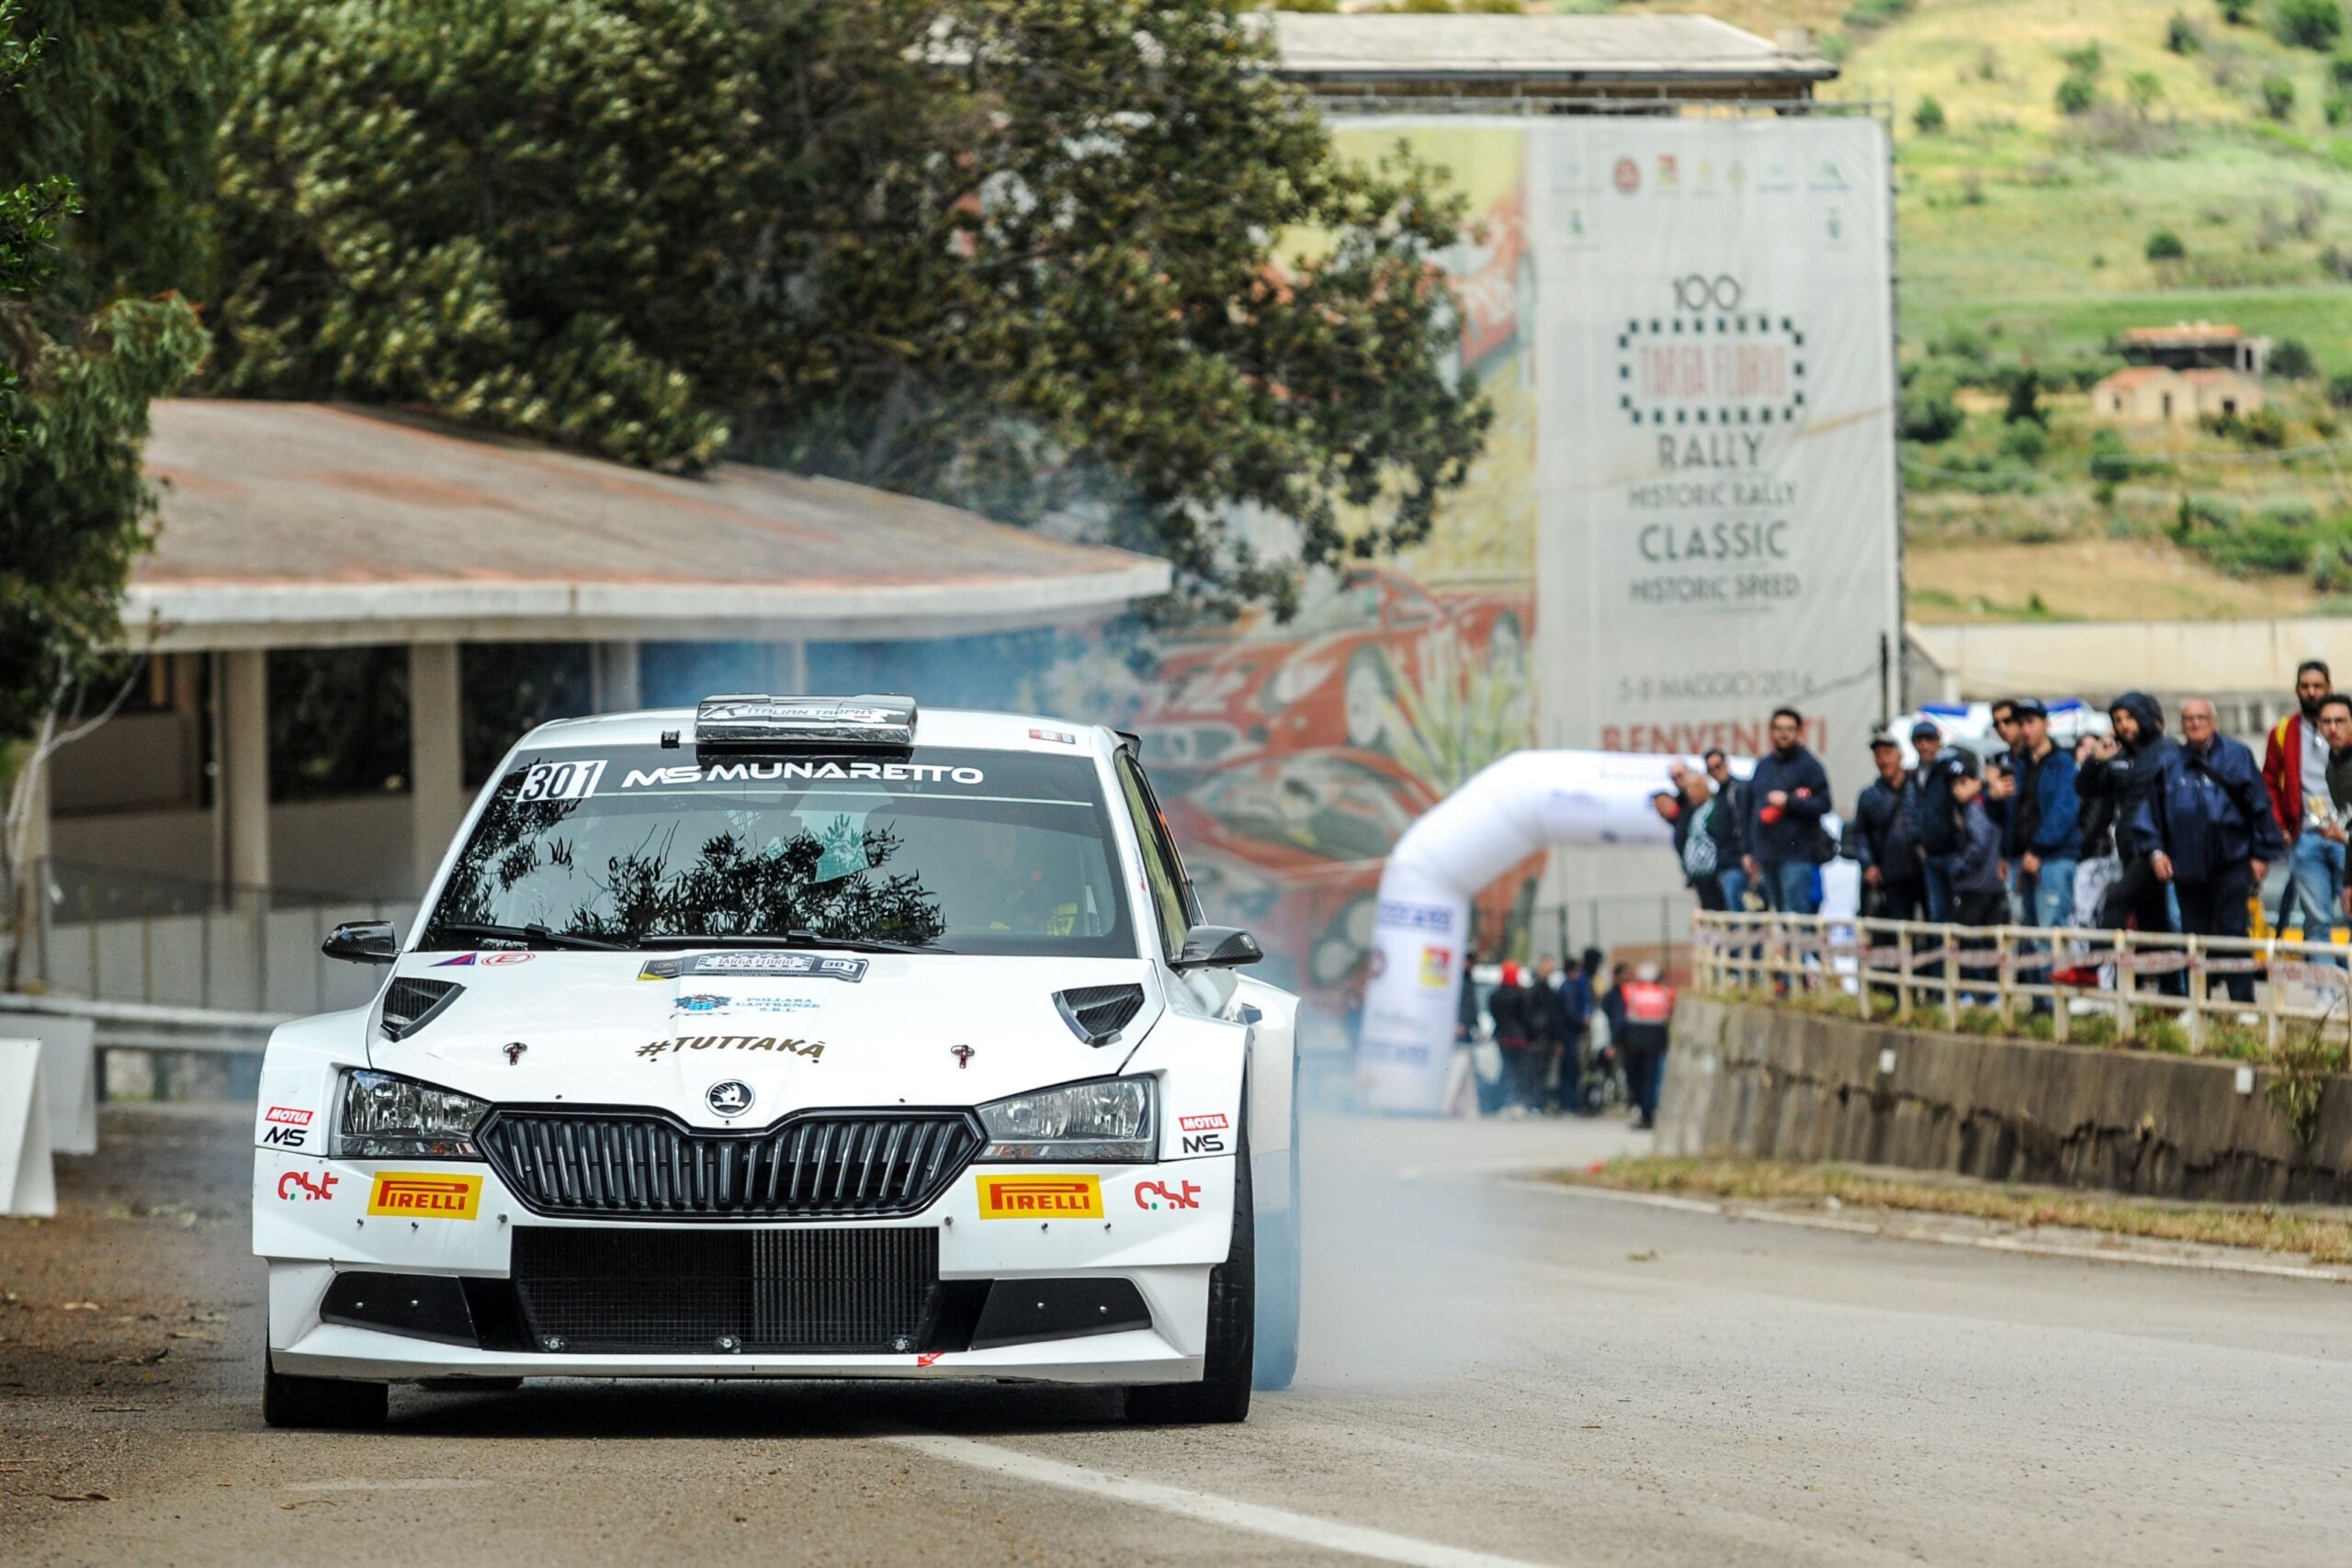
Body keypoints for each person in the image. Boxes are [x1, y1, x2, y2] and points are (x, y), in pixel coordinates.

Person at [2130, 697, 2285, 1004]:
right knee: (2194, 937)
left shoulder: (2237, 755)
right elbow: (2151, 813)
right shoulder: (2169, 762)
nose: (2195, 723)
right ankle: (2200, 1003)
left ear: (2214, 721)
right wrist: (2156, 852)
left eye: (2201, 717)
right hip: (2186, 862)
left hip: (2232, 858)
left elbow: (2259, 806)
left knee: (2232, 932)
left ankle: (2242, 1002)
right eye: (2188, 719)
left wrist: (2261, 853)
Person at [2077, 692, 2174, 932]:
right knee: (2151, 920)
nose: (2124, 725)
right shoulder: (2118, 756)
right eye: (2118, 720)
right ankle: (2156, 970)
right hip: (2128, 847)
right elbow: (2086, 789)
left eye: (2129, 718)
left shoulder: (2167, 752)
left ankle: (2098, 962)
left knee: (2118, 901)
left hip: (2155, 847)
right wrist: (2095, 761)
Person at [2266, 660, 2336, 933]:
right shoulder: (2284, 732)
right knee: (2317, 919)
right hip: (2305, 834)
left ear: (2329, 687)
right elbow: (2269, 782)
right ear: (2296, 689)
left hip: (2344, 834)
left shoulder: (2344, 727)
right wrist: (2280, 825)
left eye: (2318, 686)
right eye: (2305, 686)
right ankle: (2326, 976)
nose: (2311, 692)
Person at [1998, 698, 2081, 931]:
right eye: (2021, 723)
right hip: (2020, 859)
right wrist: (2006, 852)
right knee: (2028, 940)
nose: (2026, 729)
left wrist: (2037, 850)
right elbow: (2011, 813)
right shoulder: (2017, 764)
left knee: (2051, 935)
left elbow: (2064, 811)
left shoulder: (2063, 763)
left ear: (2046, 724)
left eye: (2031, 722)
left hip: (2053, 859)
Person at [1742, 707, 1833, 915]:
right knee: (1781, 914)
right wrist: (1749, 851)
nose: (1784, 734)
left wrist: (1789, 802)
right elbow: (1750, 809)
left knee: (1797, 914)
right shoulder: (1763, 766)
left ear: (1799, 732)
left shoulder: (1809, 765)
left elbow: (1824, 804)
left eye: (1789, 729)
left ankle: (1806, 949)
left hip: (1797, 855)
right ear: (1772, 732)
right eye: (1779, 729)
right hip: (1767, 854)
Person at [1853, 732, 1923, 920]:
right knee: (1897, 927)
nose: (1883, 760)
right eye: (1878, 755)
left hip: (1923, 870)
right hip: (1891, 874)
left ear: (1900, 755)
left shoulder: (1919, 787)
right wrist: (1868, 864)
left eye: (1888, 753)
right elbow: (1860, 834)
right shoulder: (1869, 796)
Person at [2307, 694, 2352, 931]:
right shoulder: (2333, 765)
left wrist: (2344, 836)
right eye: (2326, 722)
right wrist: (2348, 883)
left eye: (2340, 721)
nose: (2333, 728)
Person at [1908, 722, 1960, 920]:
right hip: (1930, 855)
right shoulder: (1916, 775)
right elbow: (1914, 812)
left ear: (1938, 742)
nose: (1924, 745)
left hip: (1953, 853)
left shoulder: (1949, 770)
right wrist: (1918, 842)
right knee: (1937, 915)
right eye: (1919, 740)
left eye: (1929, 740)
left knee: (1956, 915)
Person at [1617, 961, 1674, 1131]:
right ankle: (1648, 1112)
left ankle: (1643, 1111)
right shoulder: (1666, 992)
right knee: (1652, 1080)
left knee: (1638, 1080)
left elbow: (1622, 1017)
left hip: (1634, 1044)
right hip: (1656, 1044)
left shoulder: (1630, 990)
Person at [1673, 764, 1738, 910]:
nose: (1691, 793)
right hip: (1699, 873)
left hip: (1713, 871)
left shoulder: (1713, 808)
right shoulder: (1694, 811)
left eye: (1694, 788)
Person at [1487, 961, 1539, 1115]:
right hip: (1518, 1038)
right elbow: (1526, 1017)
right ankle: (1517, 1101)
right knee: (1520, 1071)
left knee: (1506, 1070)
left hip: (1502, 1037)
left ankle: (1503, 1102)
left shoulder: (1494, 995)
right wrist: (1533, 1036)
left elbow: (1494, 1015)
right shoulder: (1521, 994)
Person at [1703, 749, 1748, 911]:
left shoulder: (1738, 790)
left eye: (1719, 766)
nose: (1716, 771)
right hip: (1726, 863)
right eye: (1711, 769)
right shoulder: (1719, 796)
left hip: (1739, 862)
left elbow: (1744, 825)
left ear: (1726, 764)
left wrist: (1747, 853)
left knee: (1744, 915)